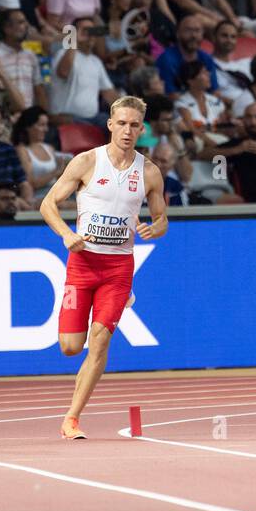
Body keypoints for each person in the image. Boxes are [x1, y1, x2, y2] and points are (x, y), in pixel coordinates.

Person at [39, 95, 167, 439]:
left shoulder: (149, 172)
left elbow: (161, 218)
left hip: (118, 268)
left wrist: (155, 227)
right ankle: (73, 412)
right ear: (110, 125)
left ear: (142, 128)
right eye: (121, 123)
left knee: (100, 340)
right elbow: (48, 204)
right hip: (82, 264)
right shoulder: (86, 162)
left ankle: (72, 418)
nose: (127, 131)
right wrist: (67, 234)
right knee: (69, 346)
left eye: (134, 125)